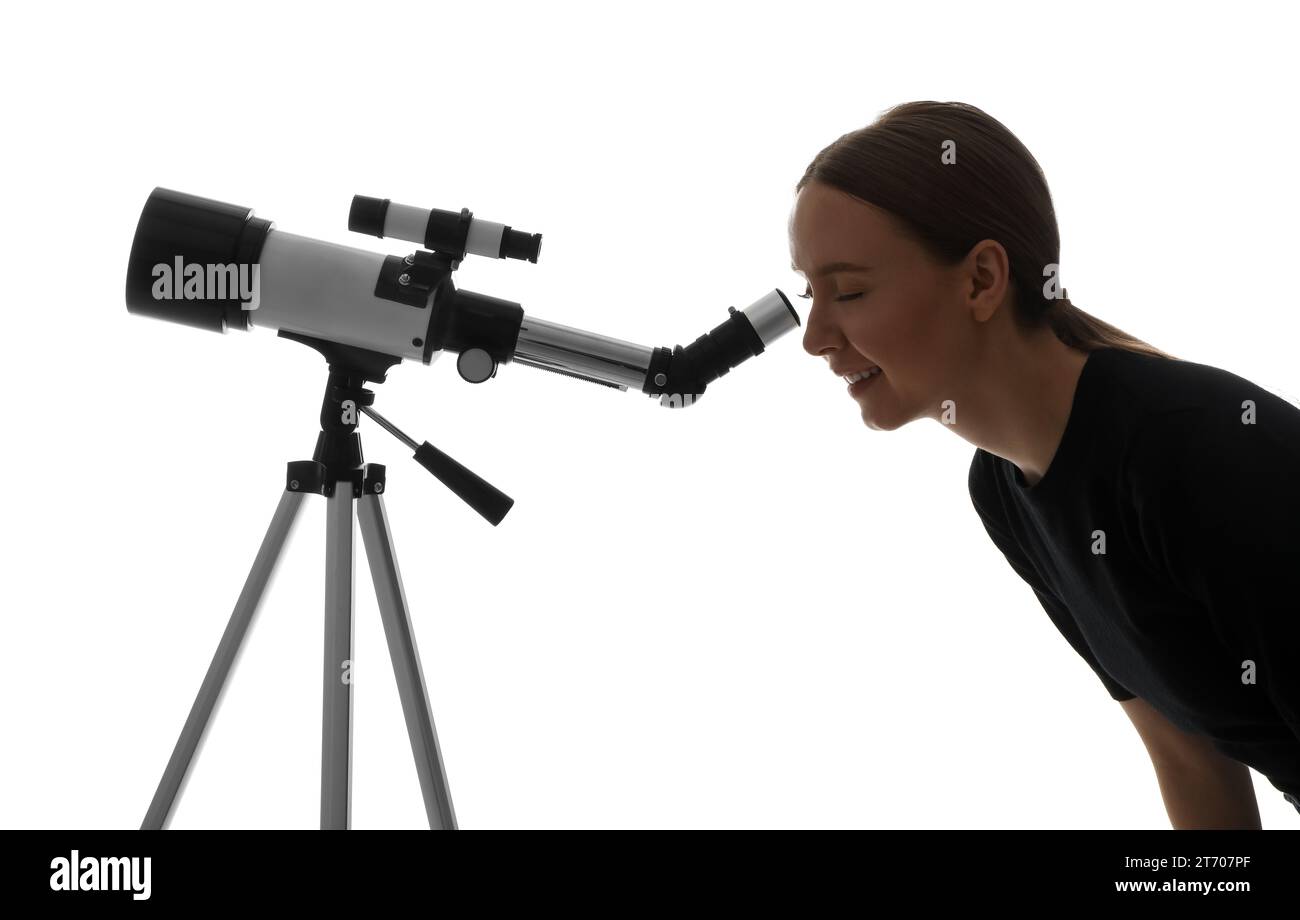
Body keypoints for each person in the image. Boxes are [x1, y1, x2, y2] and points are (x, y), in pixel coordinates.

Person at [789, 100, 1300, 829]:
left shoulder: (1191, 453)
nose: (814, 338)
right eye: (810, 294)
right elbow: (1188, 759)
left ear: (981, 280)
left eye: (849, 292)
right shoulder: (1005, 489)